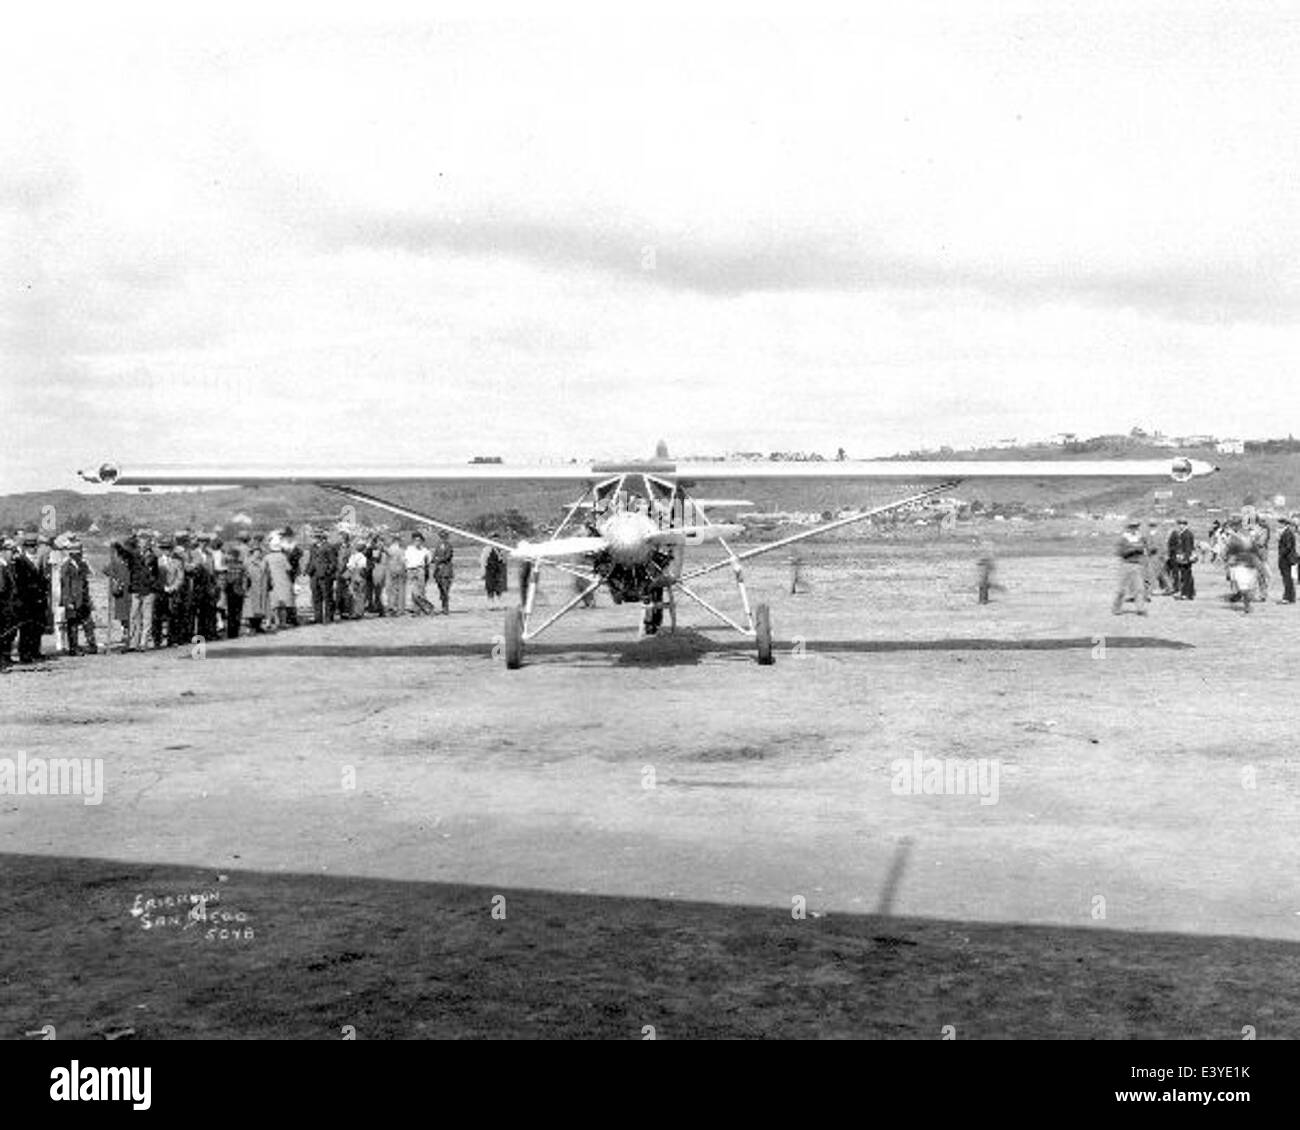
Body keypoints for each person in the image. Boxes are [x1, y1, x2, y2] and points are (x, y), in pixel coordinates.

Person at [12, 532, 49, 662]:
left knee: (37, 627)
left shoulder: (37, 560)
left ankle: (35, 651)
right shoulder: (20, 562)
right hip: (27, 600)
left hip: (38, 600)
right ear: (26, 548)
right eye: (30, 546)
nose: (33, 549)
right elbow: (21, 583)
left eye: (34, 546)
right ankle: (25, 653)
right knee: (26, 628)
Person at [60, 539, 97, 655]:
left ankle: (91, 645)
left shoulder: (82, 564)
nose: (79, 555)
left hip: (83, 598)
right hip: (73, 598)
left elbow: (90, 576)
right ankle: (73, 648)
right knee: (73, 625)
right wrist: (68, 600)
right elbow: (65, 585)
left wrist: (89, 598)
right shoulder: (66, 566)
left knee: (88, 622)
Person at [1112, 519, 1148, 615]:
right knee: (1122, 589)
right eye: (1132, 527)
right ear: (1128, 528)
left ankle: (1140, 608)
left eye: (1136, 527)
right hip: (1126, 565)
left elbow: (1145, 549)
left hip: (1137, 565)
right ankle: (1116, 608)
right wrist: (1132, 549)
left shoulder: (1140, 538)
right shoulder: (1123, 539)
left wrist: (1142, 549)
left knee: (1139, 588)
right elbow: (1119, 552)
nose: (1134, 529)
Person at [104, 541, 133, 648]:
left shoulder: (130, 563)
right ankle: (125, 633)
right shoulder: (116, 562)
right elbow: (106, 570)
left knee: (130, 613)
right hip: (121, 592)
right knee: (123, 615)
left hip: (129, 591)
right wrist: (115, 579)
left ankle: (129, 633)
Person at [305, 530, 338, 624]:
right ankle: (318, 617)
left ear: (321, 537)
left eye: (315, 537)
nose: (313, 538)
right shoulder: (312, 547)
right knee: (316, 596)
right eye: (314, 536)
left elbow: (333, 562)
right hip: (314, 575)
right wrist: (308, 570)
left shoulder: (329, 547)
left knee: (327, 597)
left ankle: (328, 617)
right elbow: (311, 559)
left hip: (325, 576)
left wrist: (328, 572)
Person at [265, 540, 294, 629]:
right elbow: (289, 568)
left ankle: (274, 621)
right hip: (283, 581)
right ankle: (283, 622)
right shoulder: (282, 556)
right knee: (283, 604)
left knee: (274, 604)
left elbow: (265, 569)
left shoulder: (267, 557)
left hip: (272, 581)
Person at [1167, 517, 1196, 601]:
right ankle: (1189, 593)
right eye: (1179, 524)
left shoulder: (1186, 534)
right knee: (1187, 575)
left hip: (1185, 558)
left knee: (1186, 576)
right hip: (1183, 557)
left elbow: (1188, 548)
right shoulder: (1184, 533)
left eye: (1182, 524)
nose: (1180, 526)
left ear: (1185, 525)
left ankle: (1186, 594)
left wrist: (1185, 558)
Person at [244, 543, 271, 632]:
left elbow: (268, 574)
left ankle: (258, 626)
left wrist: (270, 584)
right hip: (252, 587)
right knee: (251, 608)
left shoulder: (264, 562)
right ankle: (252, 626)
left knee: (261, 607)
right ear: (252, 552)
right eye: (256, 551)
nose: (258, 553)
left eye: (259, 551)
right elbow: (244, 575)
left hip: (262, 586)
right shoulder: (248, 562)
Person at [405, 532, 434, 614]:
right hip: (411, 570)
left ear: (421, 541)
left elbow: (429, 560)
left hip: (420, 569)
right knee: (414, 591)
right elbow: (406, 560)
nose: (417, 542)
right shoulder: (409, 549)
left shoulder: (425, 550)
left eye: (419, 540)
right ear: (413, 541)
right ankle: (423, 607)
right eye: (416, 540)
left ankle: (420, 609)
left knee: (421, 590)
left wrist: (424, 566)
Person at [0, 536, 16, 669]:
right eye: (11, 550)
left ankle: (4, 659)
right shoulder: (1, 566)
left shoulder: (7, 565)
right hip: (2, 605)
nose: (13, 553)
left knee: (7, 633)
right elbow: (2, 588)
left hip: (6, 605)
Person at [431, 530, 454, 614]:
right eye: (441, 537)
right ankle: (443, 606)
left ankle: (446, 607)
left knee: (445, 589)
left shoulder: (449, 546)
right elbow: (434, 557)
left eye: (444, 536)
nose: (442, 538)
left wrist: (438, 559)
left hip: (446, 571)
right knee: (441, 589)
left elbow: (448, 557)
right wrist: (434, 560)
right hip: (438, 571)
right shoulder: (438, 546)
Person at [385, 535, 406, 617]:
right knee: (401, 590)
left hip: (391, 570)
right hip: (401, 570)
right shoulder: (402, 550)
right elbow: (404, 561)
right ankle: (400, 609)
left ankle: (392, 607)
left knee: (391, 590)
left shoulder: (390, 549)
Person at [1277, 516, 1298, 604]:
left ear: (1284, 524)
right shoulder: (1287, 532)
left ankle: (1287, 597)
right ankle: (1291, 597)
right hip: (1287, 558)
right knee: (1288, 578)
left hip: (1287, 559)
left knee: (1287, 579)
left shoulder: (1287, 533)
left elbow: (1288, 546)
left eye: (1280, 523)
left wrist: (1281, 554)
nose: (1279, 525)